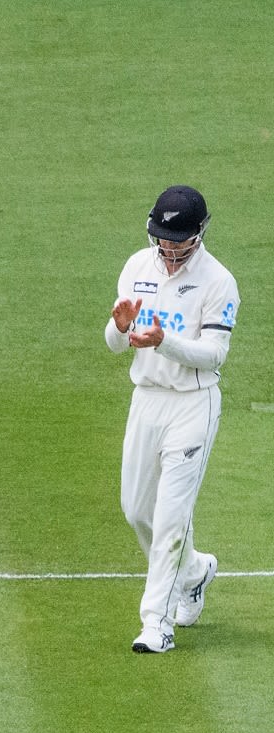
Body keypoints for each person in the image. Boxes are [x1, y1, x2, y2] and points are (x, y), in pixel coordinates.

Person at [105, 185, 240, 653]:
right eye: (164, 237)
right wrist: (121, 329)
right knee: (136, 510)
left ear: (198, 234)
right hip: (146, 399)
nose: (170, 247)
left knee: (170, 521)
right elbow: (116, 341)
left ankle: (156, 626)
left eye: (179, 239)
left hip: (192, 404)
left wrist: (164, 341)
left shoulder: (218, 281)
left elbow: (213, 353)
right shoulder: (136, 267)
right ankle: (196, 571)